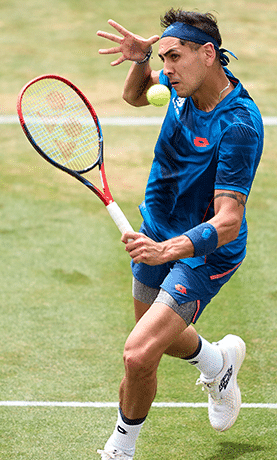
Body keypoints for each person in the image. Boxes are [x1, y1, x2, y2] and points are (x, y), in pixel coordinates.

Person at [95, 8, 264, 459]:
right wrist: (139, 61)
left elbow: (228, 220)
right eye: (162, 58)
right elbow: (135, 97)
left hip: (204, 250)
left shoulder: (240, 125)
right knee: (160, 342)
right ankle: (218, 363)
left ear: (208, 54)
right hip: (158, 232)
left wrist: (165, 250)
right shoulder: (177, 86)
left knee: (137, 354)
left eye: (174, 57)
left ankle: (119, 449)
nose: (165, 69)